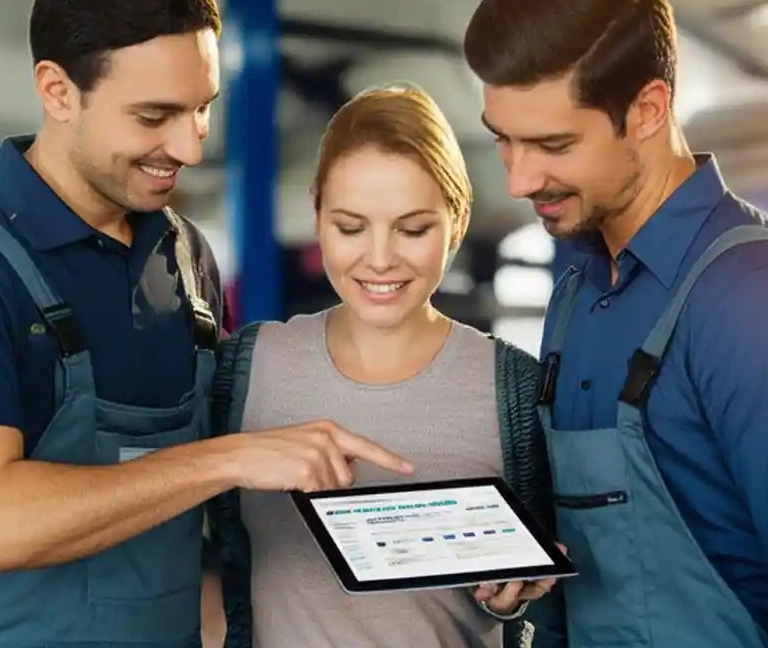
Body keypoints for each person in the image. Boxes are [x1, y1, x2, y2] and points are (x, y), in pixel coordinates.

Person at [0, 0, 411, 647]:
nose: (190, 147)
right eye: (154, 116)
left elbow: (205, 519)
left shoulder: (186, 258)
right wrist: (226, 458)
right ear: (58, 91)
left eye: (202, 108)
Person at [462, 0, 768, 648]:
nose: (518, 179)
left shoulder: (762, 303)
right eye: (503, 142)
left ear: (647, 110)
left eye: (552, 144)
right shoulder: (579, 285)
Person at [204, 84, 567, 648]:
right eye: (351, 227)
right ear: (317, 213)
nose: (379, 258)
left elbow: (541, 600)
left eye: (413, 229)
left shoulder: (515, 388)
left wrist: (514, 595)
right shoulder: (245, 370)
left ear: (458, 221)